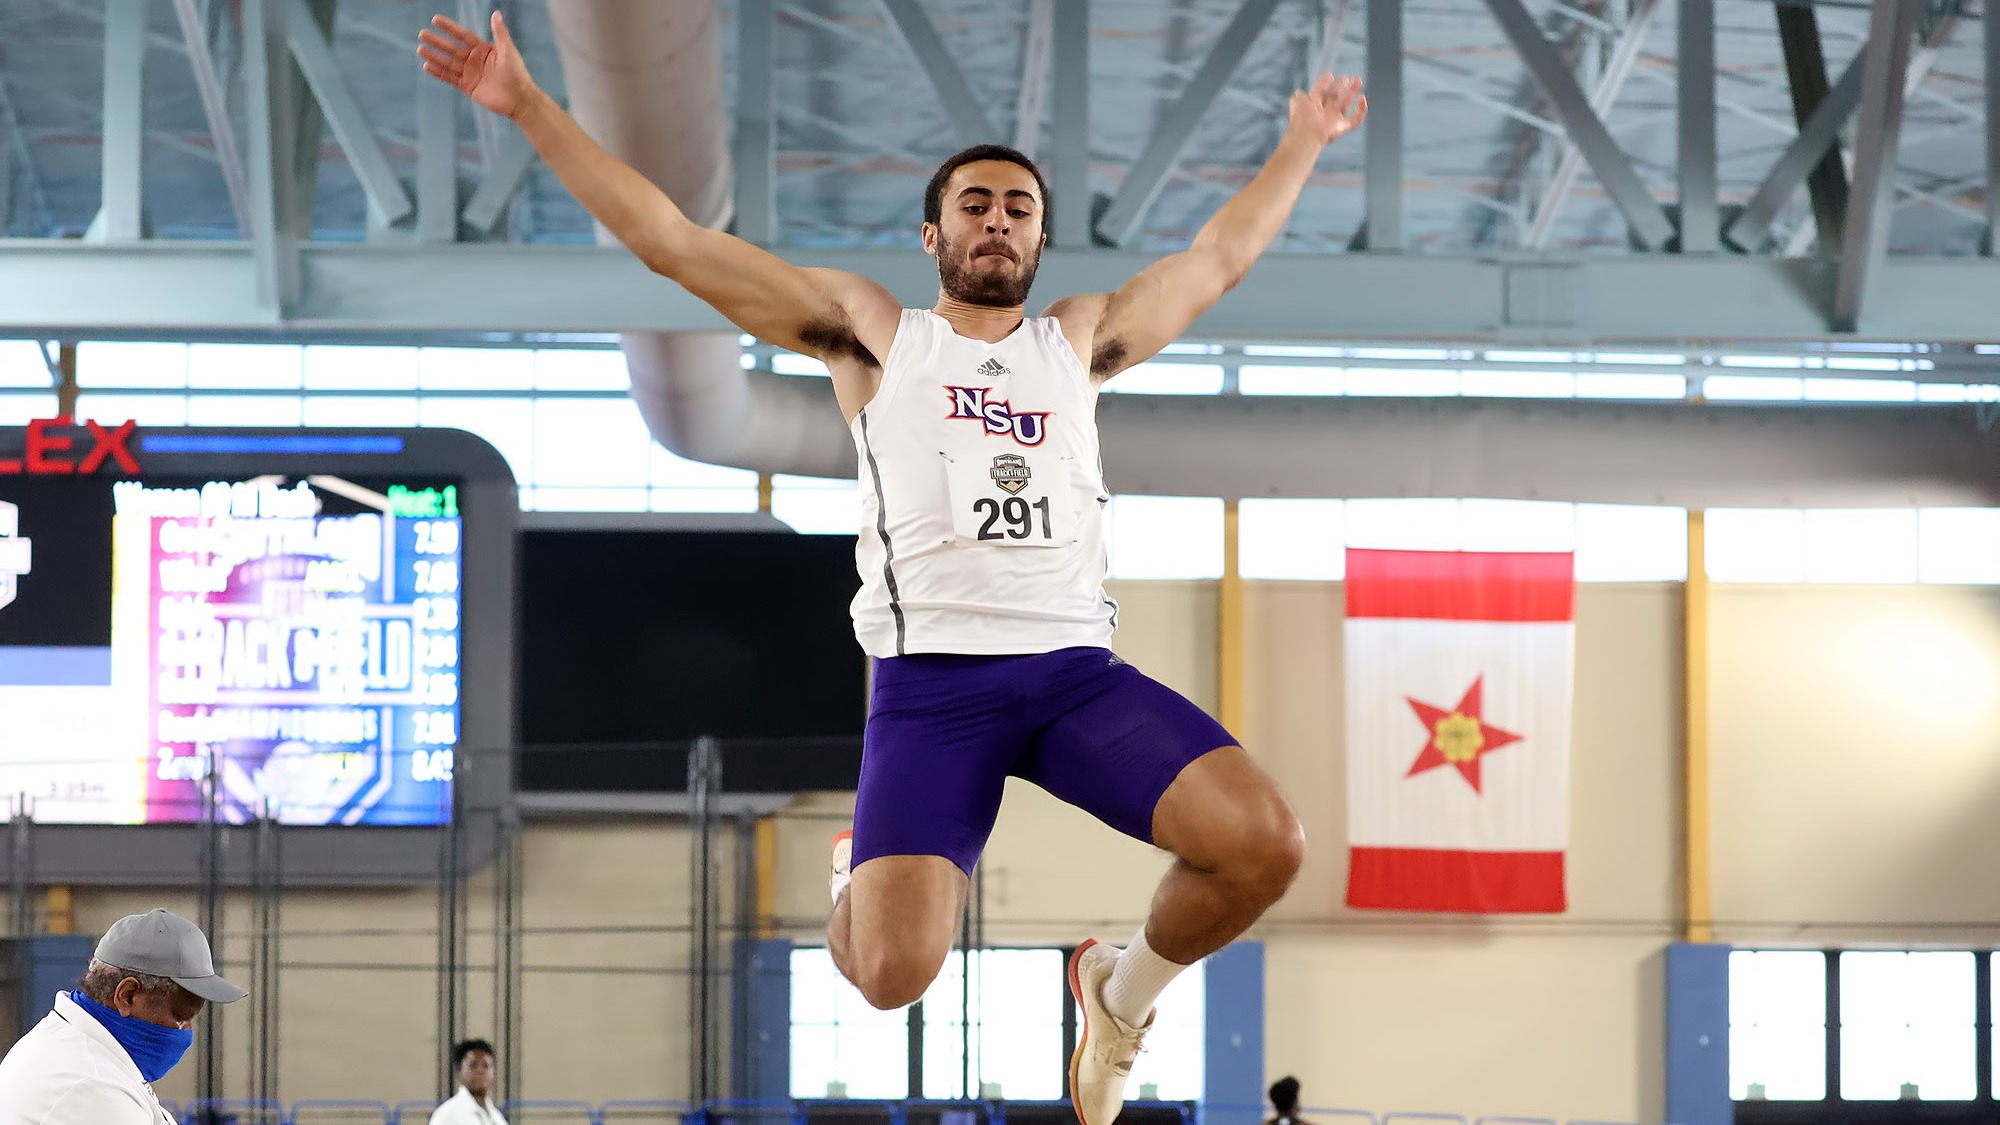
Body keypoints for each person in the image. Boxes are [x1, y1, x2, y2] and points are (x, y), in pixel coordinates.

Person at [416, 14, 1364, 1125]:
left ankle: (1117, 996)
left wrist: (1301, 140)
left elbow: (1218, 259)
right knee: (889, 978)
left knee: (1264, 846)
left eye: (1019, 208)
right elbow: (673, 242)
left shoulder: (1078, 339)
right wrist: (530, 106)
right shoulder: (870, 333)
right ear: (932, 234)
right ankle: (854, 883)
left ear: (1040, 239)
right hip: (933, 693)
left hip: (1072, 676)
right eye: (975, 203)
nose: (997, 219)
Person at [0, 907, 247, 1125]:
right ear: (127, 995)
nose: (186, 1031)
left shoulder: (71, 1047)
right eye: (180, 1016)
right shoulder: (93, 1086)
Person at [427, 1038, 508, 1125]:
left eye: (486, 1065)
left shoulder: (496, 1117)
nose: (480, 1071)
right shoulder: (447, 1115)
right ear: (459, 1072)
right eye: (473, 1065)